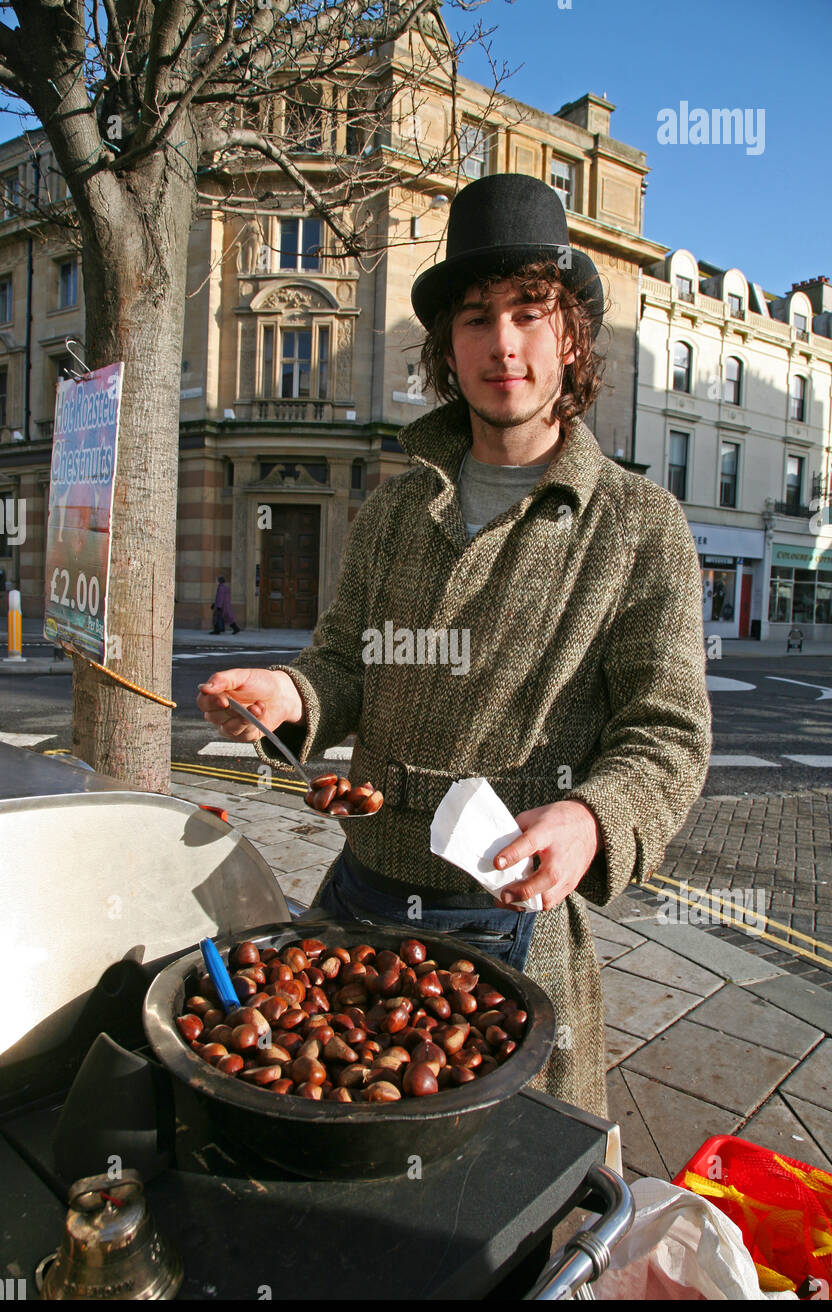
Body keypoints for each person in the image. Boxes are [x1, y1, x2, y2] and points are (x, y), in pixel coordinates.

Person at [197, 173, 711, 1117]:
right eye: (477, 316)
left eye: (530, 311)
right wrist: (288, 694)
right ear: (447, 344)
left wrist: (594, 817)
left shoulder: (641, 526)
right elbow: (345, 661)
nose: (503, 343)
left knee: (504, 1211)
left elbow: (667, 733)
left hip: (513, 926)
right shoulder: (395, 507)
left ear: (571, 338)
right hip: (363, 903)